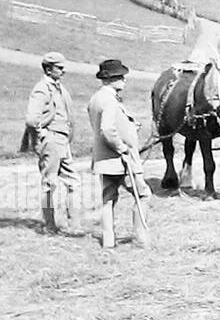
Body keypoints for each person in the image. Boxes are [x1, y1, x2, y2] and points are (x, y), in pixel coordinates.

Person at [88, 59, 150, 249]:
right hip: (121, 160)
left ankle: (108, 241)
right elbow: (107, 130)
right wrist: (121, 147)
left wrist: (130, 126)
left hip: (104, 160)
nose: (124, 80)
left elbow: (102, 126)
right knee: (143, 195)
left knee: (108, 199)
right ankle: (141, 238)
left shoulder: (96, 98)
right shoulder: (109, 100)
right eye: (121, 77)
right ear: (111, 79)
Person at [24, 51, 78, 233]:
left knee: (74, 181)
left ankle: (74, 224)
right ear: (48, 69)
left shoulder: (59, 88)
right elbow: (32, 119)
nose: (64, 71)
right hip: (52, 141)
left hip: (63, 141)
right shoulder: (42, 89)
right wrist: (44, 136)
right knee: (50, 183)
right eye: (60, 68)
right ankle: (50, 225)